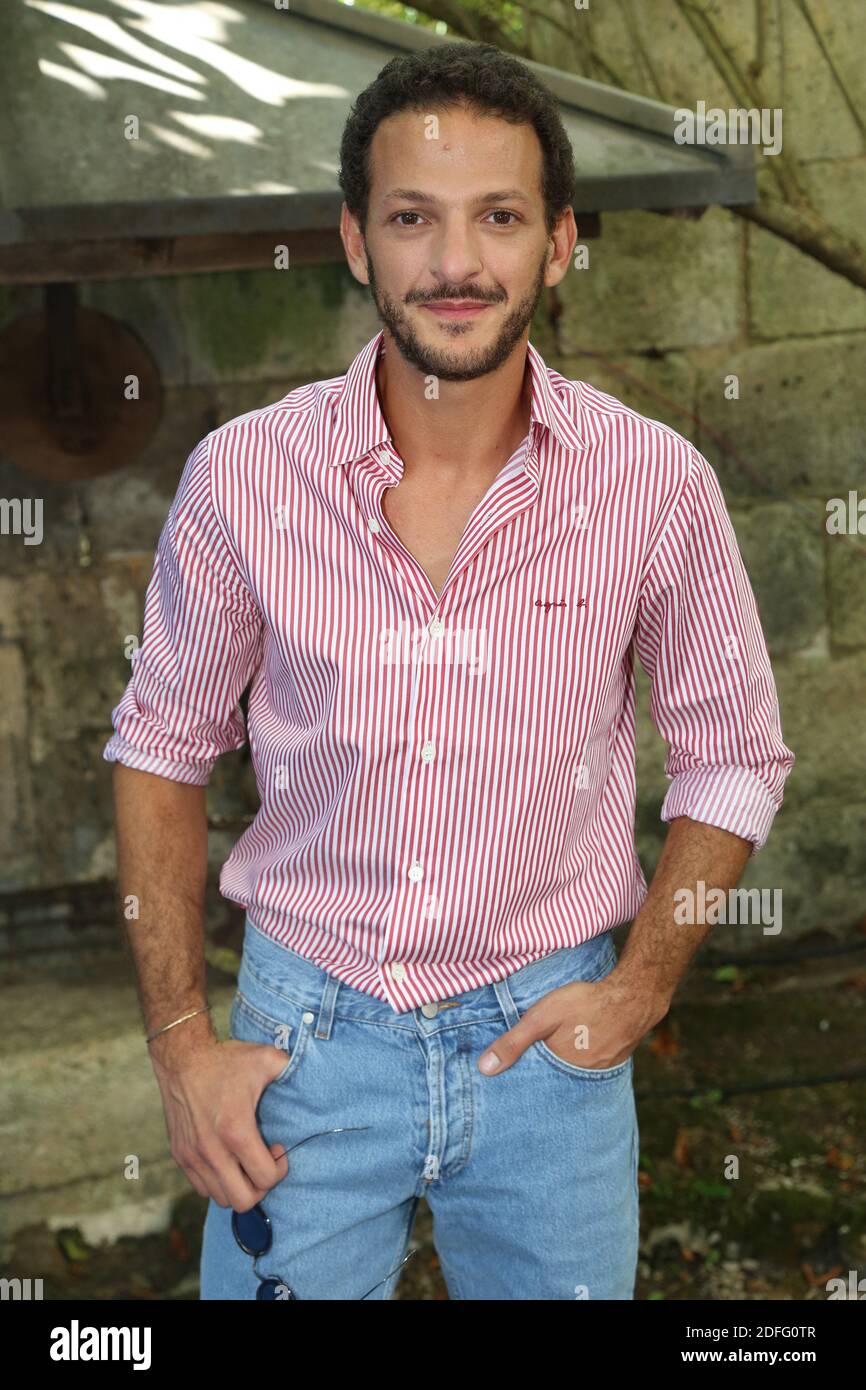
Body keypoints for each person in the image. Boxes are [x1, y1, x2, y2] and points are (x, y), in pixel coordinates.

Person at [104, 42, 795, 1301]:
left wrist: (636, 991)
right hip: (301, 1041)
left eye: (499, 217)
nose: (457, 263)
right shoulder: (246, 478)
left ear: (559, 241)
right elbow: (159, 748)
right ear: (357, 242)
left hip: (547, 1048)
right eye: (413, 218)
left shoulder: (652, 482)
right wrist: (180, 1045)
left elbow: (736, 755)